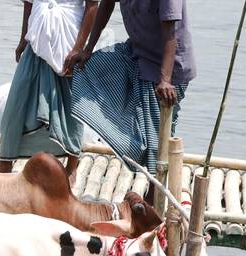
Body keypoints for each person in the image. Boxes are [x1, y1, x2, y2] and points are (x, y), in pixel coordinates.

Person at [67, 0, 196, 173]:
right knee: (90, 68)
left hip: (168, 66)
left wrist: (165, 80)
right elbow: (106, 5)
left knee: (158, 136)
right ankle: (132, 148)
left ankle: (155, 193)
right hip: (137, 53)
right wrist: (87, 49)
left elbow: (170, 32)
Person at [0, 1, 97, 175]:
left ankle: (72, 167)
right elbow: (29, 4)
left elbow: (92, 6)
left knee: (68, 102)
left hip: (67, 39)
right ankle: (5, 161)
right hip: (37, 37)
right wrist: (23, 39)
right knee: (17, 101)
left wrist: (79, 48)